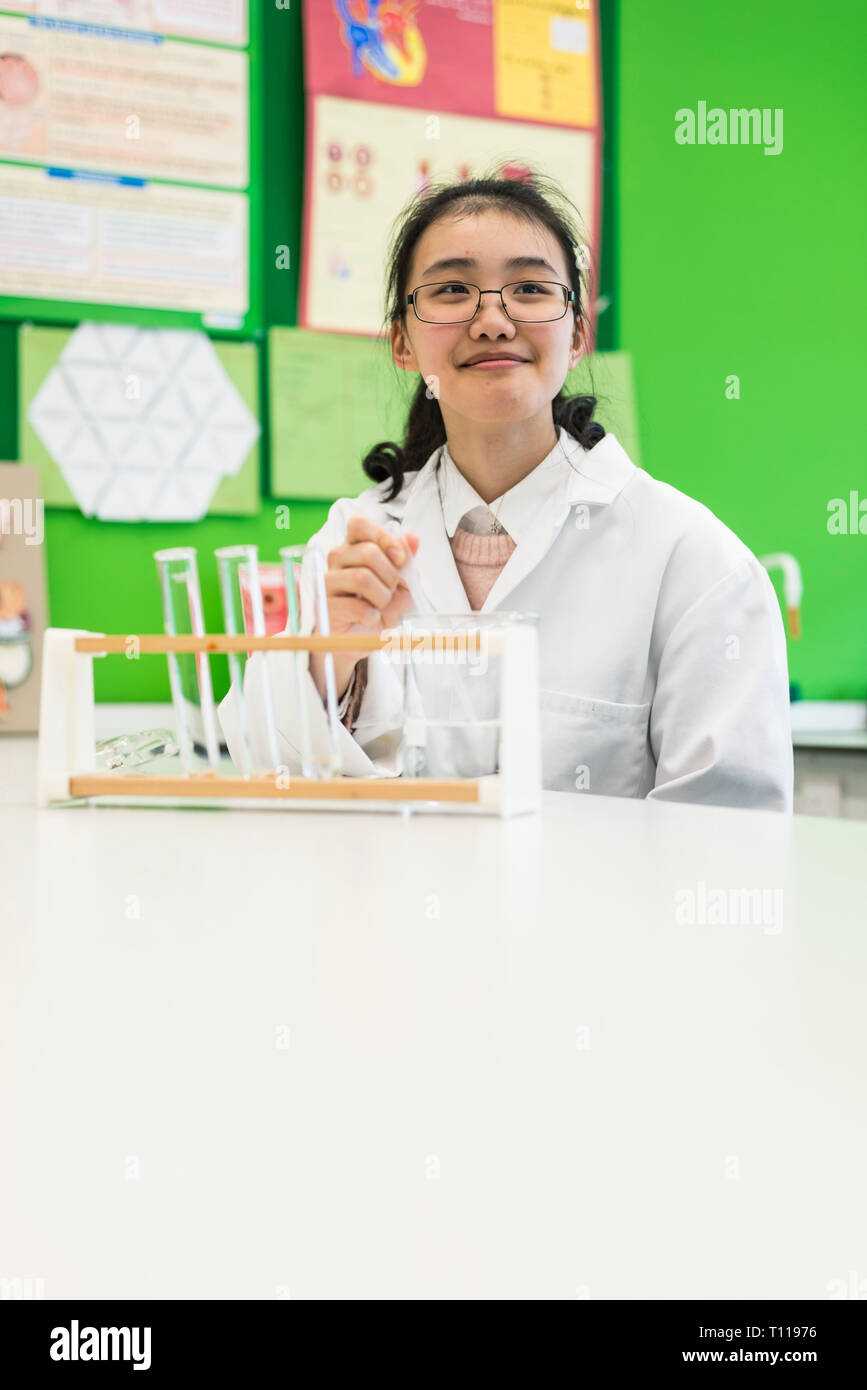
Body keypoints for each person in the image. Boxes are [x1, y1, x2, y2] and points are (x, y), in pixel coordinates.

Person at [219, 170, 793, 810]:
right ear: (403, 342)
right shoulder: (352, 544)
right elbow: (259, 774)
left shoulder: (694, 563)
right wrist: (327, 665)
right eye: (453, 289)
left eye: (528, 288)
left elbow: (730, 842)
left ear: (576, 333)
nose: (492, 320)